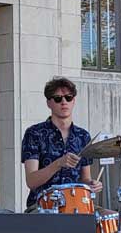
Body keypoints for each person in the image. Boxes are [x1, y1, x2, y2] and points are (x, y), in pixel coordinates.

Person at [21, 77, 103, 210]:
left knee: (109, 218)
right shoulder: (34, 133)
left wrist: (92, 184)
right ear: (49, 103)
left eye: (68, 98)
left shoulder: (83, 136)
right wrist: (58, 164)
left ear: (73, 101)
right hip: (42, 206)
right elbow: (31, 181)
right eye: (58, 98)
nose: (64, 102)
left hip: (76, 204)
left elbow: (85, 179)